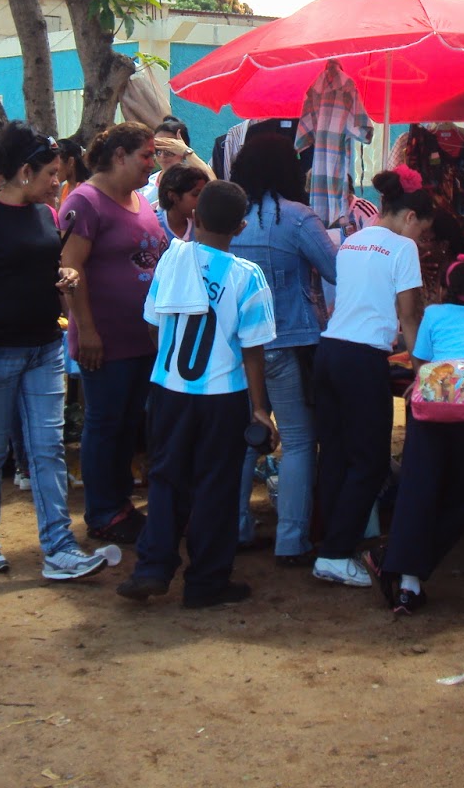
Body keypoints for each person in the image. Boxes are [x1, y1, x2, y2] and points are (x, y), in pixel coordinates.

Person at [0, 121, 107, 580]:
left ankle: (58, 548)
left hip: (45, 349)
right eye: (52, 173)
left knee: (48, 449)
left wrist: (66, 282)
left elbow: (49, 273)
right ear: (23, 172)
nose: (59, 181)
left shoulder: (48, 215)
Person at [117, 181, 277, 607]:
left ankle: (152, 566)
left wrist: (167, 363)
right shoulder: (248, 276)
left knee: (167, 480)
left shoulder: (172, 261)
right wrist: (260, 409)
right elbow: (254, 351)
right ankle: (206, 580)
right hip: (222, 396)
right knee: (215, 487)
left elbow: (153, 323)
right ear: (241, 227)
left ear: (195, 218)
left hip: (169, 390)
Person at [310, 167, 430, 590]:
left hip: (330, 352)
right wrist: (422, 371)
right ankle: (335, 553)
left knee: (338, 455)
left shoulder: (350, 240)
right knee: (371, 461)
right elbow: (409, 317)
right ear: (411, 217)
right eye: (423, 230)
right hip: (362, 360)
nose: (421, 239)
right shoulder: (402, 249)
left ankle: (329, 543)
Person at [367, 256, 464, 616]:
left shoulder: (433, 316)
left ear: (445, 289)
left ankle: (405, 578)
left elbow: (422, 360)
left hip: (429, 414)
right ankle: (404, 573)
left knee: (418, 492)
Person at [229, 132, 339, 567]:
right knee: (297, 441)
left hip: (238, 348)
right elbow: (333, 269)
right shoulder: (297, 217)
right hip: (291, 342)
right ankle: (291, 541)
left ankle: (237, 527)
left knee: (245, 440)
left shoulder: (230, 215)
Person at [62, 122, 169, 545]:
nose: (152, 164)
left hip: (142, 338)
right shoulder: (84, 201)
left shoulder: (139, 200)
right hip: (103, 340)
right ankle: (103, 511)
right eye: (145, 155)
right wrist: (85, 330)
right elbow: (70, 270)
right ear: (119, 156)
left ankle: (121, 502)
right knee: (105, 424)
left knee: (128, 425)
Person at [154, 163, 208, 243]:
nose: (203, 200)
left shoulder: (203, 228)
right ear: (173, 196)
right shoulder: (154, 227)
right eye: (195, 194)